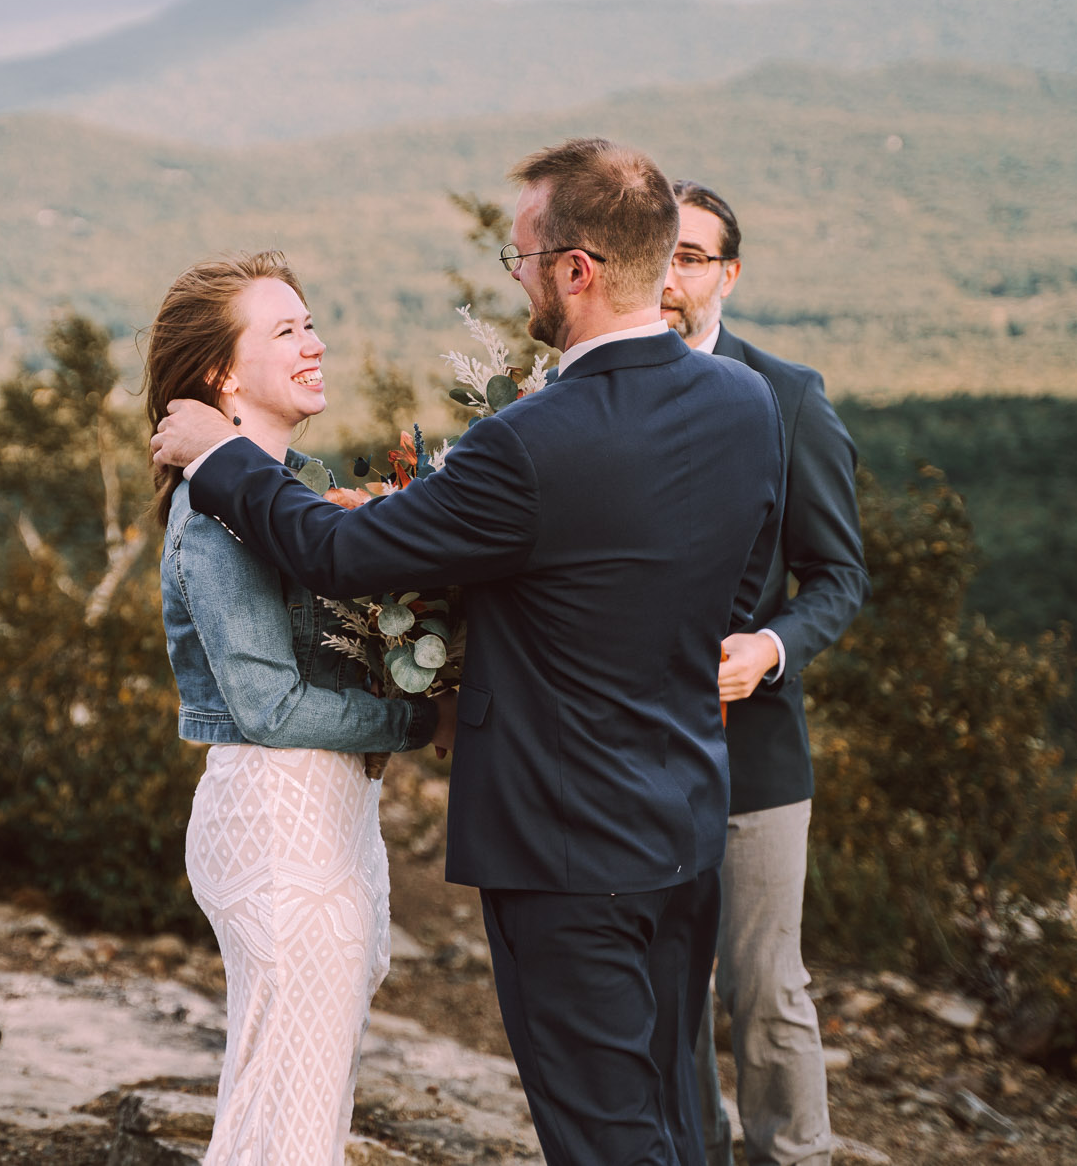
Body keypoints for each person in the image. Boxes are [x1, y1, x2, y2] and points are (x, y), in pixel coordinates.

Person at [154, 139, 784, 1165]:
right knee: (672, 1119)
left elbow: (339, 553)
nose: (516, 277)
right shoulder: (745, 405)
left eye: (522, 256)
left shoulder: (529, 443)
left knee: (606, 1140)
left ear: (575, 270)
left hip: (562, 851)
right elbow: (735, 589)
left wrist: (224, 457)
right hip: (682, 827)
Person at [147, 251, 451, 1166]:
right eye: (285, 330)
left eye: (310, 322)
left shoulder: (296, 494)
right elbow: (270, 707)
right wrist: (419, 721)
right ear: (223, 374)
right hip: (278, 817)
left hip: (329, 812)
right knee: (291, 1119)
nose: (314, 343)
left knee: (292, 1105)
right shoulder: (218, 515)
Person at [664, 181, 869, 1166]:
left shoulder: (788, 398)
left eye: (691, 256)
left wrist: (769, 648)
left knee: (762, 986)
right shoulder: (583, 392)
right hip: (631, 753)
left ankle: (794, 1155)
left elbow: (838, 575)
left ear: (729, 274)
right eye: (657, 253)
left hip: (753, 753)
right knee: (664, 988)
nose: (670, 275)